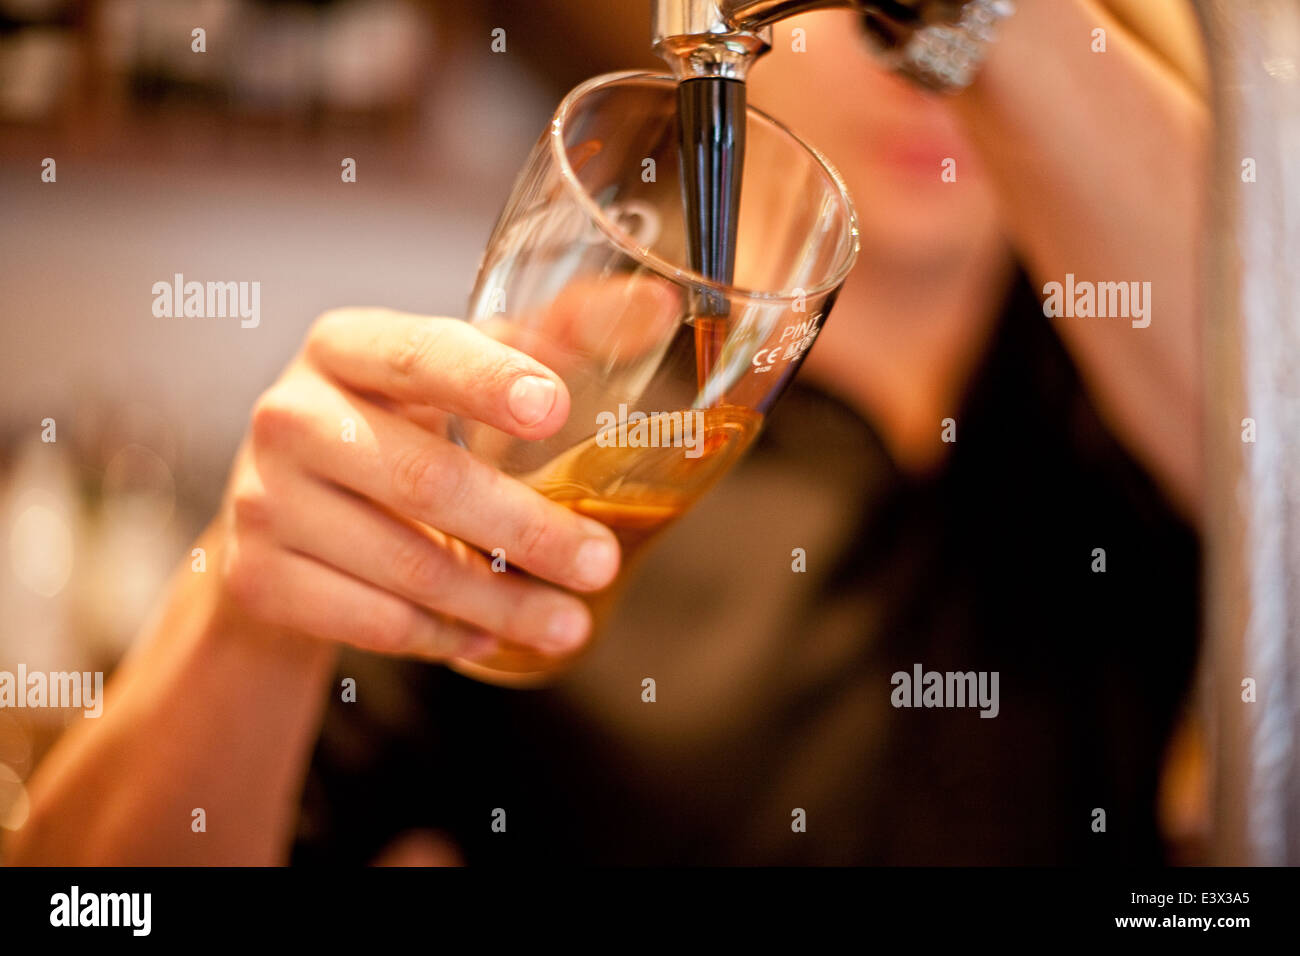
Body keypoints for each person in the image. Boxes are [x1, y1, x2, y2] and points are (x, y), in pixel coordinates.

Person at [7, 0, 1209, 864]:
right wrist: (244, 619)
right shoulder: (522, 441)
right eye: (862, 15)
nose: (922, 68)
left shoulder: (1152, 393)